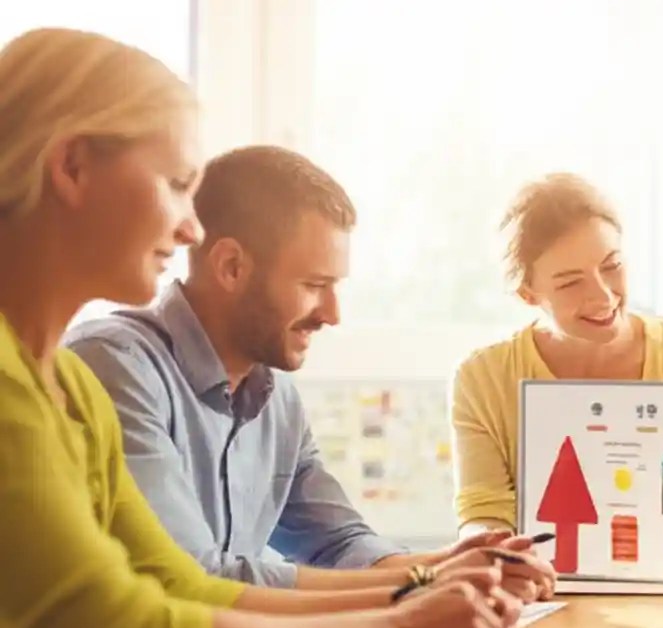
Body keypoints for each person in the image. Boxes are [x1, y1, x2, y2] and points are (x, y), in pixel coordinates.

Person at [0, 28, 521, 628]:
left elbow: (185, 590)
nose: (191, 228)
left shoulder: (68, 388)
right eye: (176, 184)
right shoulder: (55, 377)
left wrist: (422, 593)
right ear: (71, 167)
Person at [64, 144, 556, 601]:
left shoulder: (275, 395)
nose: (333, 313)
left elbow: (338, 542)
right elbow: (195, 579)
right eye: (314, 284)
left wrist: (460, 563)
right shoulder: (115, 368)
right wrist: (422, 580)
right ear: (232, 266)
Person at [451, 173, 663, 534]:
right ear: (528, 294)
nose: (603, 296)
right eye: (570, 282)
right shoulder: (483, 377)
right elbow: (484, 512)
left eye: (612, 266)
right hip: (535, 584)